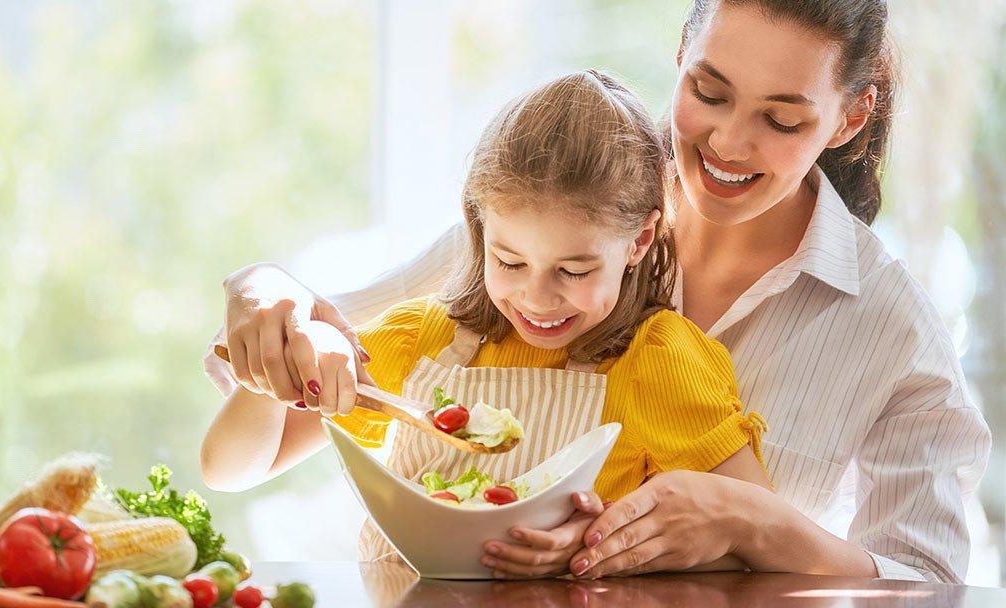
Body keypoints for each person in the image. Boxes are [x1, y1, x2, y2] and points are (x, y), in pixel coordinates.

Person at [204, 0, 991, 583]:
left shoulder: (891, 331)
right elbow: (320, 348)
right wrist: (271, 292)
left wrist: (755, 524)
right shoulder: (549, 212)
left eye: (782, 119)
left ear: (850, 117)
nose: (727, 142)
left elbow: (931, 590)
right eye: (709, 92)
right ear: (680, 52)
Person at [200, 70, 772, 565]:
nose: (538, 298)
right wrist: (272, 369)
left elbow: (757, 534)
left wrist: (613, 545)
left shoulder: (659, 363)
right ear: (479, 227)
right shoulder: (421, 339)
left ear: (640, 240)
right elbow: (231, 470)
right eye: (509, 260)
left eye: (573, 271)